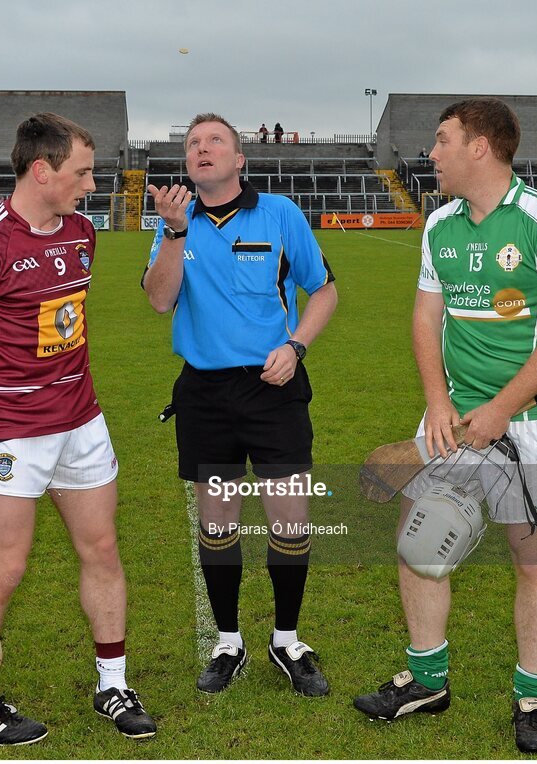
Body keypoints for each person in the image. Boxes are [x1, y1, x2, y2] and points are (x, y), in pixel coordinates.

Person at [352, 98, 537, 755]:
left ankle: (532, 697)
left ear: (480, 147)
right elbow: (426, 318)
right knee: (420, 541)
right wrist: (438, 402)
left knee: (534, 560)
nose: (431, 154)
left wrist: (504, 408)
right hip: (454, 416)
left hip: (533, 422)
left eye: (441, 140)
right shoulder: (439, 226)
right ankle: (427, 680)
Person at [0, 112, 156, 745]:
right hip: (8, 431)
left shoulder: (82, 231)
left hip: (81, 420)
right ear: (42, 170)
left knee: (103, 550)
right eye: (82, 172)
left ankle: (113, 684)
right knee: (5, 568)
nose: (91, 184)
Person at [142, 113, 338, 697]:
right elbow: (159, 301)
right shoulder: (174, 222)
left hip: (274, 390)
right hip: (205, 394)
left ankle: (286, 639)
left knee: (291, 518)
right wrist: (174, 233)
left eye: (215, 142)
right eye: (193, 144)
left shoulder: (280, 214)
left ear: (239, 159)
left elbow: (323, 288)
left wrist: (297, 345)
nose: (202, 150)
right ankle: (228, 641)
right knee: (219, 520)